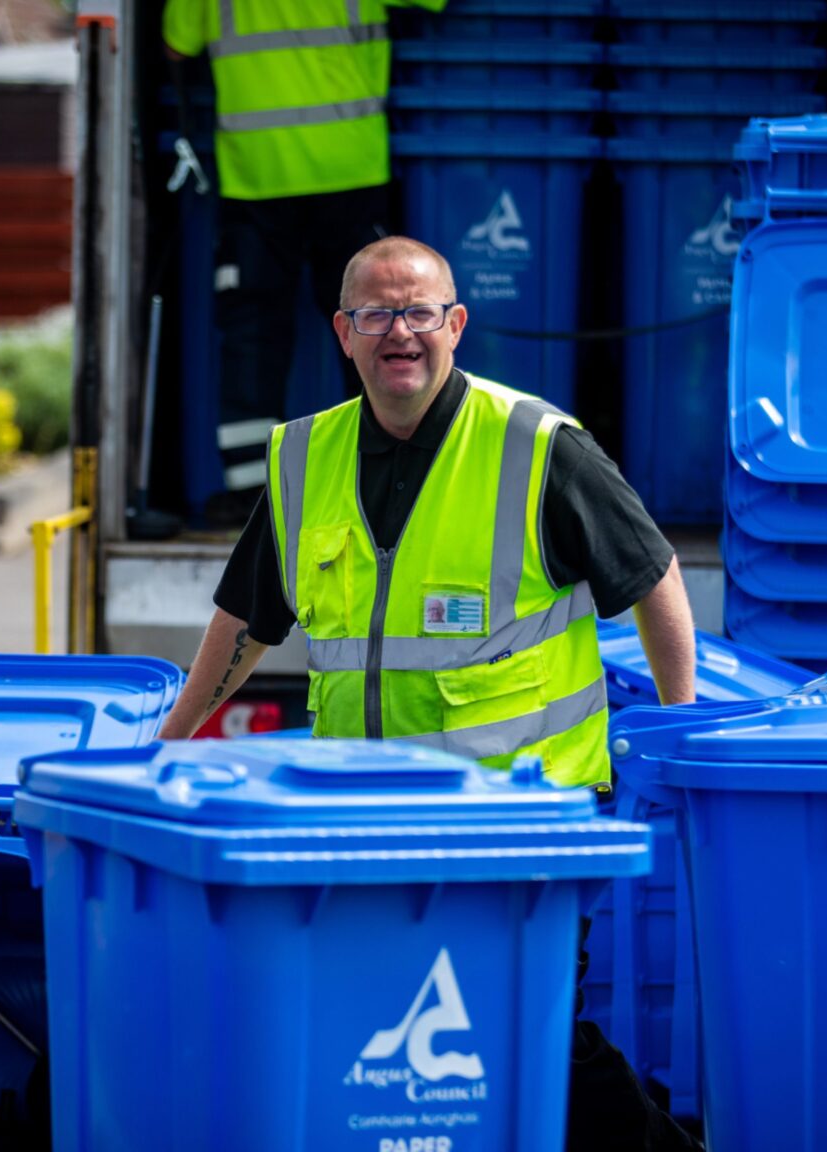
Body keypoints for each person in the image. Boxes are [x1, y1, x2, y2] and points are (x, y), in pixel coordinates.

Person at [158, 236, 703, 1150]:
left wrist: (677, 733)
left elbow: (655, 580)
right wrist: (168, 744)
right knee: (390, 1042)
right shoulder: (305, 458)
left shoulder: (534, 444)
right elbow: (250, 618)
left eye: (417, 312)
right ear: (343, 332)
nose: (398, 332)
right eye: (375, 313)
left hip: (520, 828)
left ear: (455, 323)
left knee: (529, 1039)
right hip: (361, 824)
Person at [162, 0, 445, 525]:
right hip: (350, 170)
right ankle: (380, 483)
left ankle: (250, 493)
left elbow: (176, 43)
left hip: (256, 177)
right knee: (377, 331)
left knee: (251, 334)